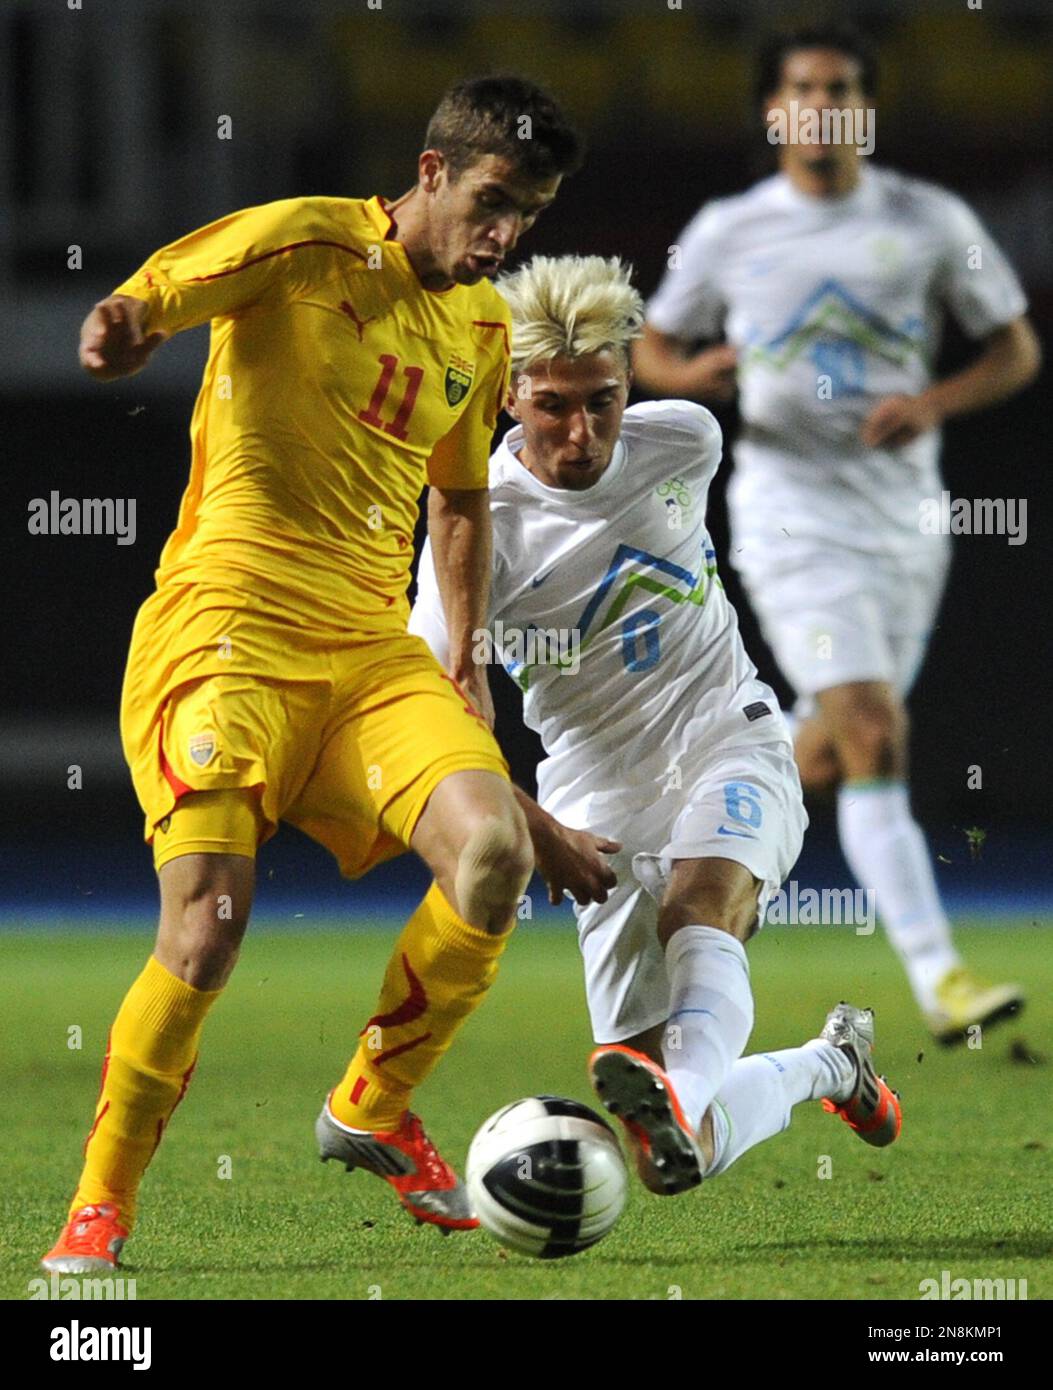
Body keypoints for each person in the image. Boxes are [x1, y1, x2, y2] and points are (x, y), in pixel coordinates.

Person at [42, 75, 581, 1274]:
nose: (504, 237)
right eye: (493, 202)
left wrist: (468, 658)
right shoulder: (309, 242)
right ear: (433, 173)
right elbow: (165, 288)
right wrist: (123, 324)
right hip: (223, 627)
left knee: (493, 853)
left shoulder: (484, 330)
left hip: (370, 652)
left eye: (529, 217)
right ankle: (98, 1206)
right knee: (209, 925)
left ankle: (374, 1106)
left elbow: (460, 497)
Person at [410, 255, 901, 1197]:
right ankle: (830, 1067)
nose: (582, 431)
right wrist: (538, 832)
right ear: (506, 397)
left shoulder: (683, 441)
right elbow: (433, 723)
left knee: (699, 904)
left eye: (602, 398)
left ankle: (679, 1084)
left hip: (726, 730)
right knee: (678, 1151)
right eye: (552, 404)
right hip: (591, 795)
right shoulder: (476, 536)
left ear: (630, 385)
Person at [634, 23, 1040, 1043]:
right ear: (775, 111)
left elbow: (1016, 347)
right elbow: (652, 343)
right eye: (805, 88)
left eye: (844, 87)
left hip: (905, 517)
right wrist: (691, 379)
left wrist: (936, 402)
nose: (824, 104)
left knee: (825, 747)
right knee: (872, 729)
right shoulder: (732, 228)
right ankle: (944, 980)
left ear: (867, 105)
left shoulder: (931, 218)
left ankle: (681, 889)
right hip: (790, 513)